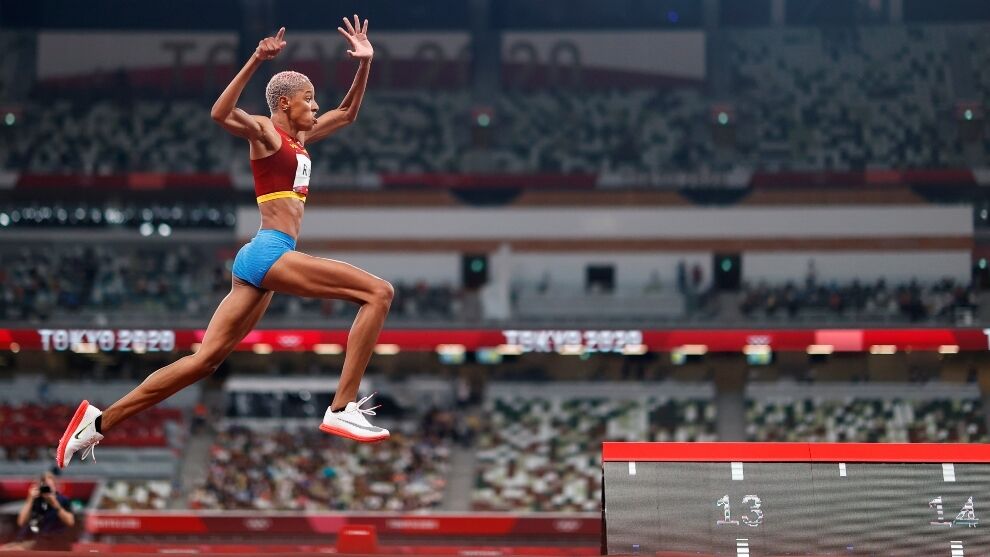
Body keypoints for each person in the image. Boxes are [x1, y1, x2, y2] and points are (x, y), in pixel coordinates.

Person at [57, 16, 391, 470]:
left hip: (259, 262)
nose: (316, 106)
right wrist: (256, 58)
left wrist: (365, 63)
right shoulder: (266, 132)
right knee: (378, 292)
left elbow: (348, 113)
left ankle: (96, 424)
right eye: (309, 99)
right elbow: (220, 113)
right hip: (270, 251)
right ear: (286, 103)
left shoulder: (301, 138)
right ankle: (342, 407)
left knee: (204, 362)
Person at [1, 472, 74, 551]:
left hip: (51, 540)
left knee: (15, 550)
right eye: (44, 487)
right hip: (31, 539)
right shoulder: (36, 501)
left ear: (55, 487)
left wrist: (55, 504)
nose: (47, 490)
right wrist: (30, 499)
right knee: (4, 549)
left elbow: (70, 522)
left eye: (49, 487)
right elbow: (21, 522)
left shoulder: (63, 500)